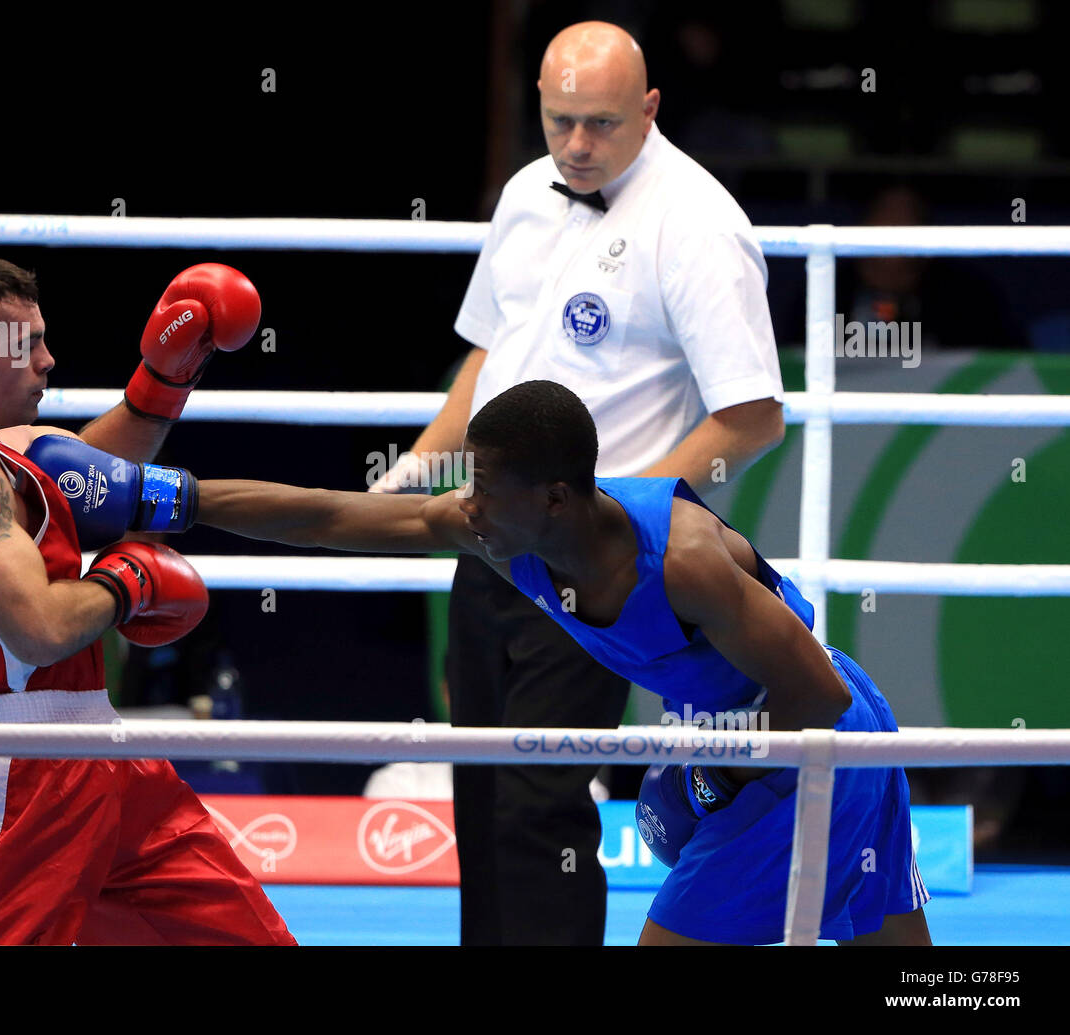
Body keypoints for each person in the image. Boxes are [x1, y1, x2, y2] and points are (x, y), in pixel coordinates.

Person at [176, 378, 931, 945]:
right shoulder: (507, 538)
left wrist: (718, 772)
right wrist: (179, 499)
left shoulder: (683, 560)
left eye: (485, 491)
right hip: (761, 737)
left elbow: (820, 693)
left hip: (804, 738)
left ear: (556, 498)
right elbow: (331, 513)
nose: (466, 506)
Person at [369, 21, 785, 944]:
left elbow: (753, 417)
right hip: (489, 538)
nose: (578, 146)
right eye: (560, 122)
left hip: (591, 563)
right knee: (479, 784)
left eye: (601, 124)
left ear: (650, 108)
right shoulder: (527, 192)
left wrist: (622, 524)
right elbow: (490, 357)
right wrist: (408, 476)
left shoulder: (698, 223)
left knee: (539, 800)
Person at [0, 255, 295, 945]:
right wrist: (126, 582)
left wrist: (166, 375)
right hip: (28, 768)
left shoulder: (1, 448)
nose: (49, 360)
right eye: (26, 345)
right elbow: (40, 629)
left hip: (109, 754)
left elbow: (99, 477)